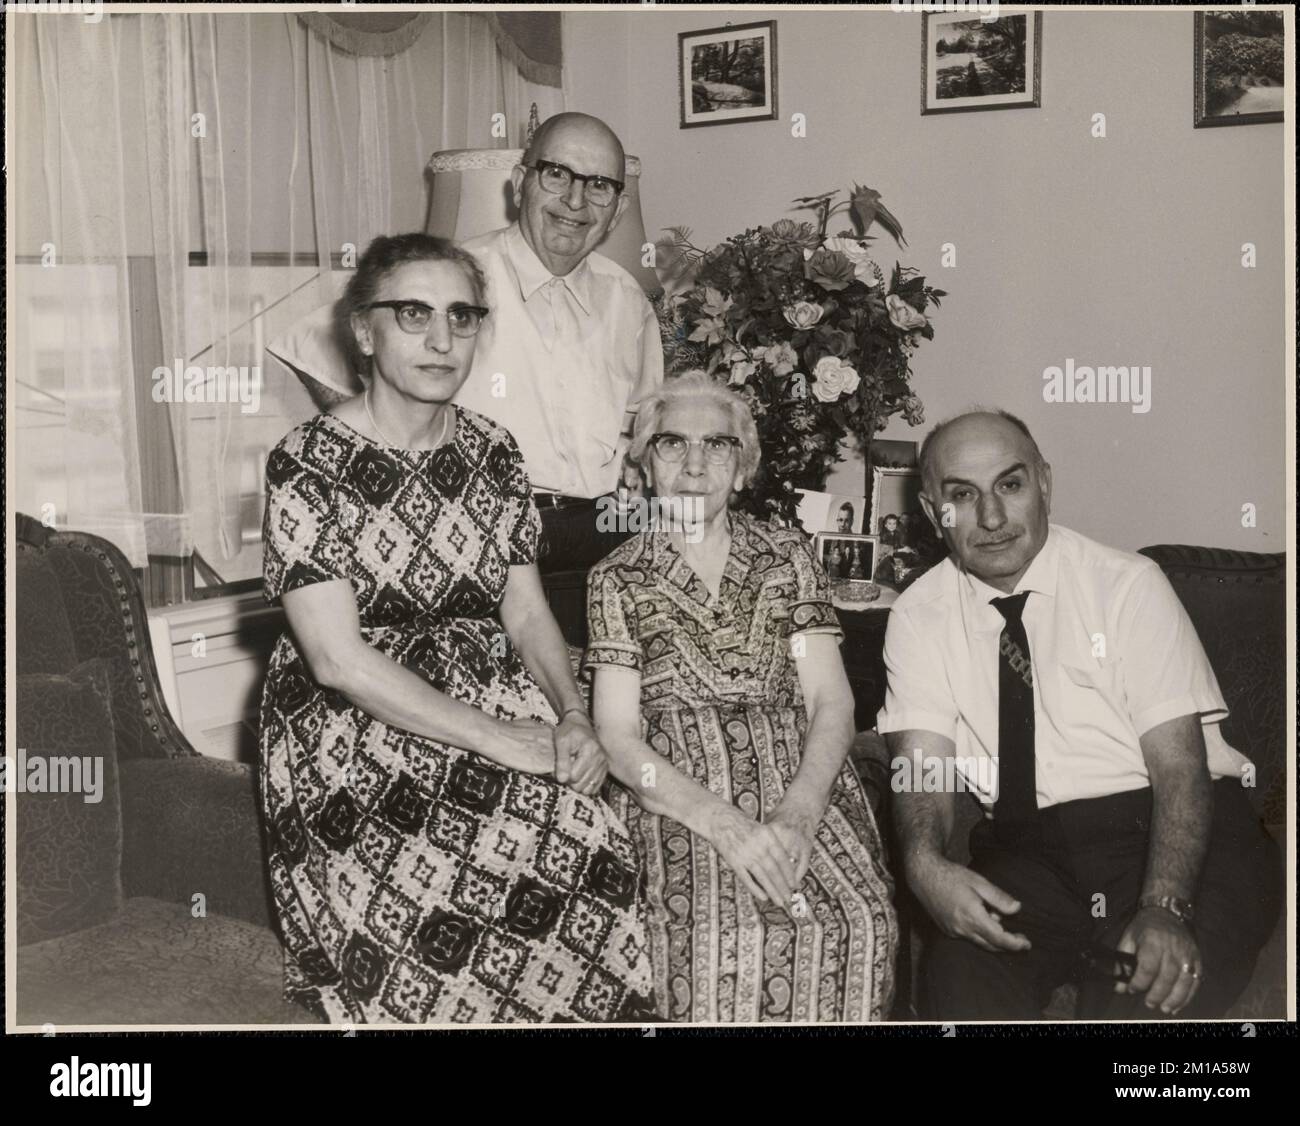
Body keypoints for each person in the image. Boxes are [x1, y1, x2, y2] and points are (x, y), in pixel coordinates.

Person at [258, 234, 656, 1024]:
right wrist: (502, 738)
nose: (443, 341)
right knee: (431, 908)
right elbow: (338, 660)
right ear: (364, 331)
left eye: (462, 317)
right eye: (414, 314)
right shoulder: (305, 460)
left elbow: (527, 610)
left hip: (491, 687)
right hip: (353, 728)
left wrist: (571, 714)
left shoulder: (493, 452)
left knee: (591, 852)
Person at [879, 409, 1282, 1020]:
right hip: (1029, 861)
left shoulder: (1127, 586)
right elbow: (921, 772)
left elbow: (1179, 768)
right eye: (963, 495)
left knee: (1137, 997)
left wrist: (1164, 907)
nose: (990, 519)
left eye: (1010, 486)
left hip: (1168, 834)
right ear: (936, 512)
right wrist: (924, 865)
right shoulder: (917, 615)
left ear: (1044, 483)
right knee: (959, 984)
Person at [584, 372, 898, 1022]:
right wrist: (727, 828)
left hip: (798, 783)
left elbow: (832, 703)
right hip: (676, 798)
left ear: (742, 465)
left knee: (858, 920)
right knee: (699, 939)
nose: (695, 466)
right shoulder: (615, 578)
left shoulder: (789, 555)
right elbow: (618, 739)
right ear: (644, 462)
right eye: (672, 444)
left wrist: (800, 815)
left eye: (718, 446)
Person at [452, 112, 664, 573]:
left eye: (599, 185)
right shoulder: (458, 278)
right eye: (557, 174)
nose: (575, 201)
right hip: (489, 537)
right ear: (519, 183)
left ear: (618, 211)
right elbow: (316, 354)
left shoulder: (627, 299)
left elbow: (646, 430)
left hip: (609, 534)